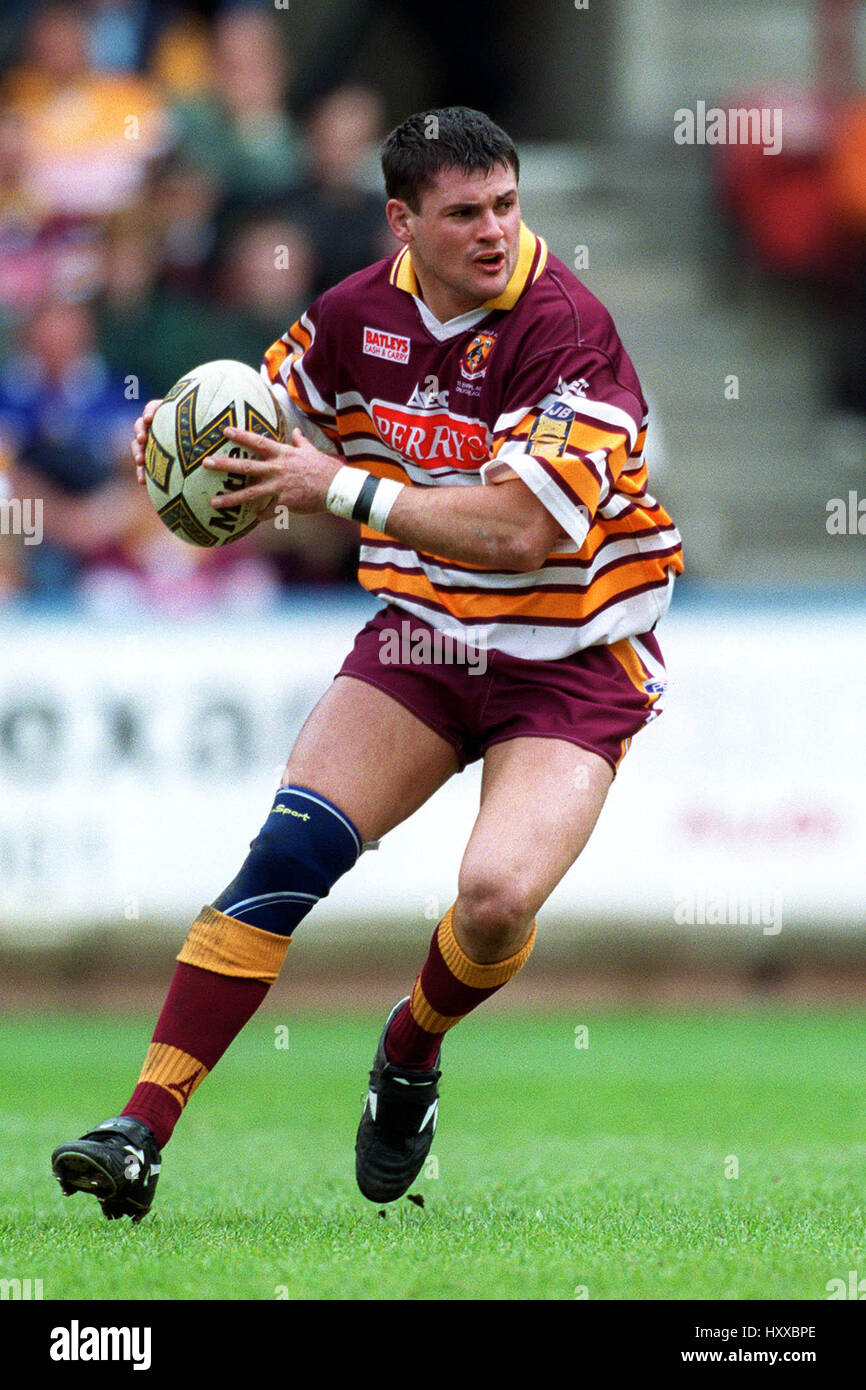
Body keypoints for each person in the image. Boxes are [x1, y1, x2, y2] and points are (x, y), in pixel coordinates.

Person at [51, 107, 683, 1220]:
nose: (493, 231)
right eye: (463, 213)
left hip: (569, 653)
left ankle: (409, 1047)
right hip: (424, 638)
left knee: (490, 901)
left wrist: (331, 486)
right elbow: (257, 429)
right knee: (286, 853)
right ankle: (138, 1129)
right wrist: (173, 443)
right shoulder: (352, 314)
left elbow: (516, 533)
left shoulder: (563, 327)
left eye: (505, 204)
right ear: (402, 222)